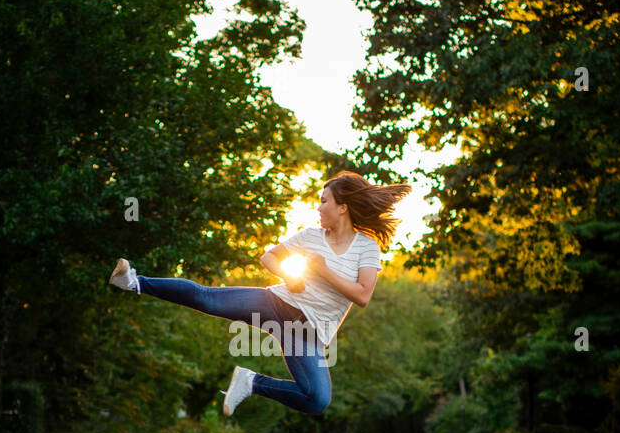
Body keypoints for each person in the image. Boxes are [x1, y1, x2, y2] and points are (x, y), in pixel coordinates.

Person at [107, 170, 411, 417]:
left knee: (317, 400)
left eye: (324, 201)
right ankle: (133, 281)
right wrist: (288, 277)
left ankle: (252, 382)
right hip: (277, 303)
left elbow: (363, 295)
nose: (318, 208)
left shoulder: (366, 247)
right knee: (207, 298)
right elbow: (269, 257)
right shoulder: (310, 236)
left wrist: (322, 269)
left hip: (306, 333)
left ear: (342, 207)